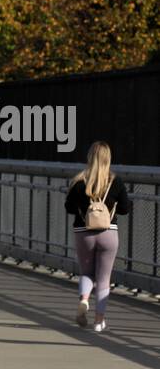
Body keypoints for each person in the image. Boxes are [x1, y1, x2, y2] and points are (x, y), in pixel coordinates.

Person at [65, 140, 130, 333]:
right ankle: (99, 321)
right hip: (108, 233)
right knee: (103, 278)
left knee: (87, 273)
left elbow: (69, 208)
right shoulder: (115, 181)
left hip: (84, 233)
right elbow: (125, 209)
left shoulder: (78, 182)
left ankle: (84, 299)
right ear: (108, 159)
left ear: (90, 158)